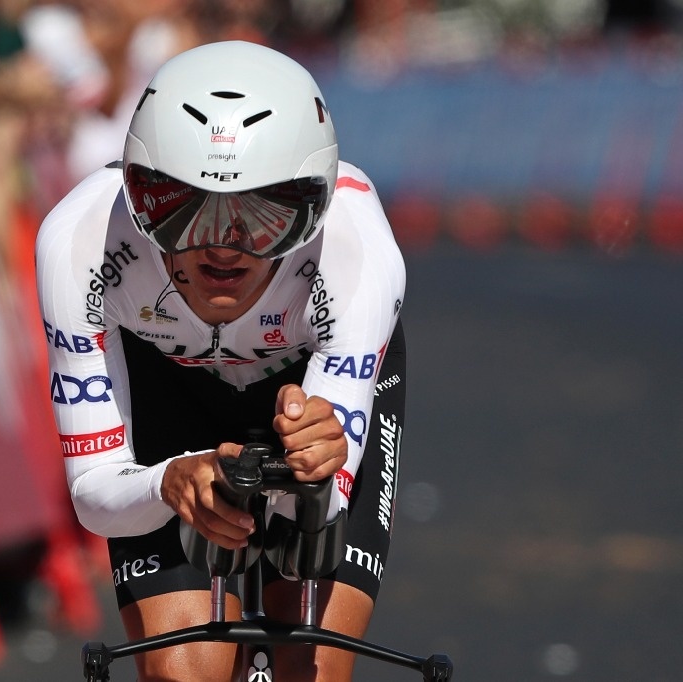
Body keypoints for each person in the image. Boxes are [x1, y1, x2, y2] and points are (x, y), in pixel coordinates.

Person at [35, 40, 406, 682]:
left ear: (312, 209)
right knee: (187, 671)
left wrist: (317, 471)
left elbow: (319, 510)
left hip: (300, 393)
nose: (223, 247)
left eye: (262, 215)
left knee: (306, 667)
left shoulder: (359, 251)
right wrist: (169, 481)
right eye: (184, 208)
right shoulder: (80, 243)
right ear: (139, 195)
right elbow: (94, 494)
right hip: (167, 395)